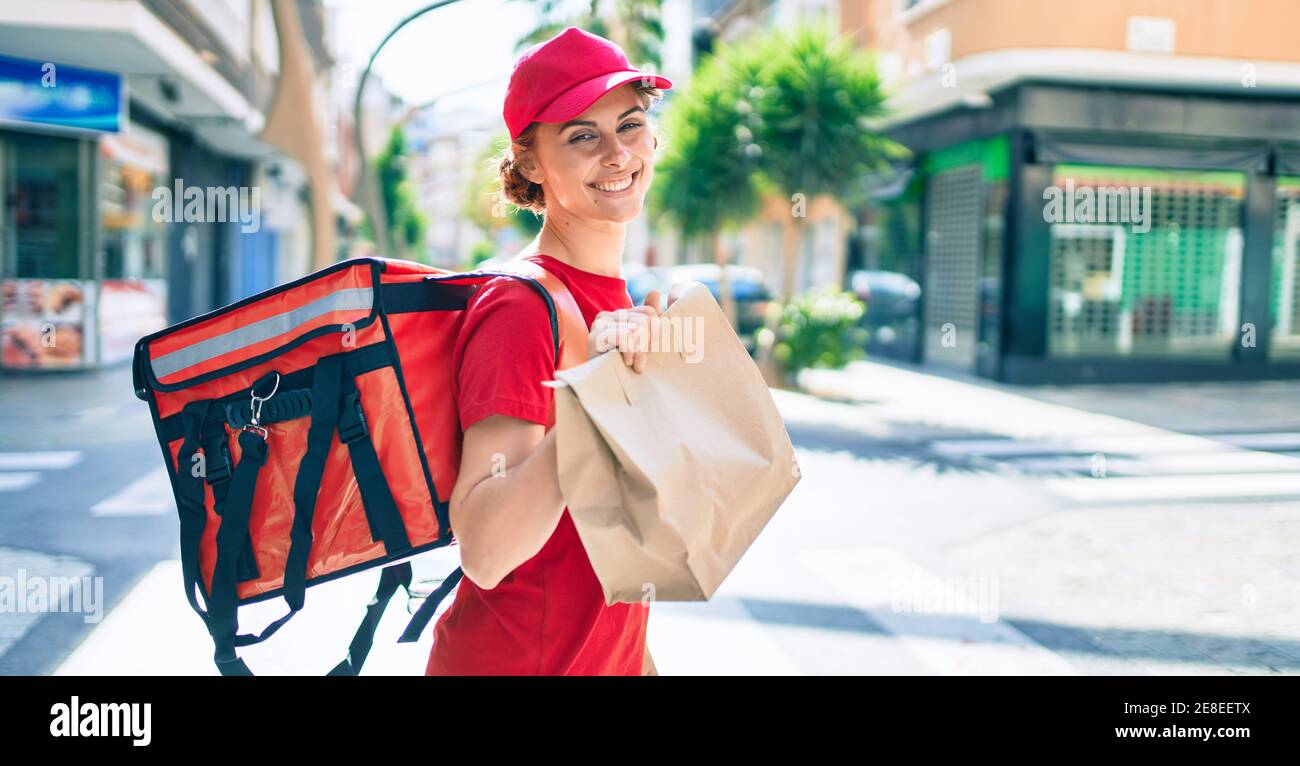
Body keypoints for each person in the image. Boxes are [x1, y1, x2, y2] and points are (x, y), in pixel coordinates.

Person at [424, 27, 674, 675]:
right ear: (530, 162)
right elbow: (484, 550)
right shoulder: (519, 307)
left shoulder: (618, 299)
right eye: (583, 136)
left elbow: (599, 557)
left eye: (631, 124)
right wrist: (594, 400)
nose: (618, 154)